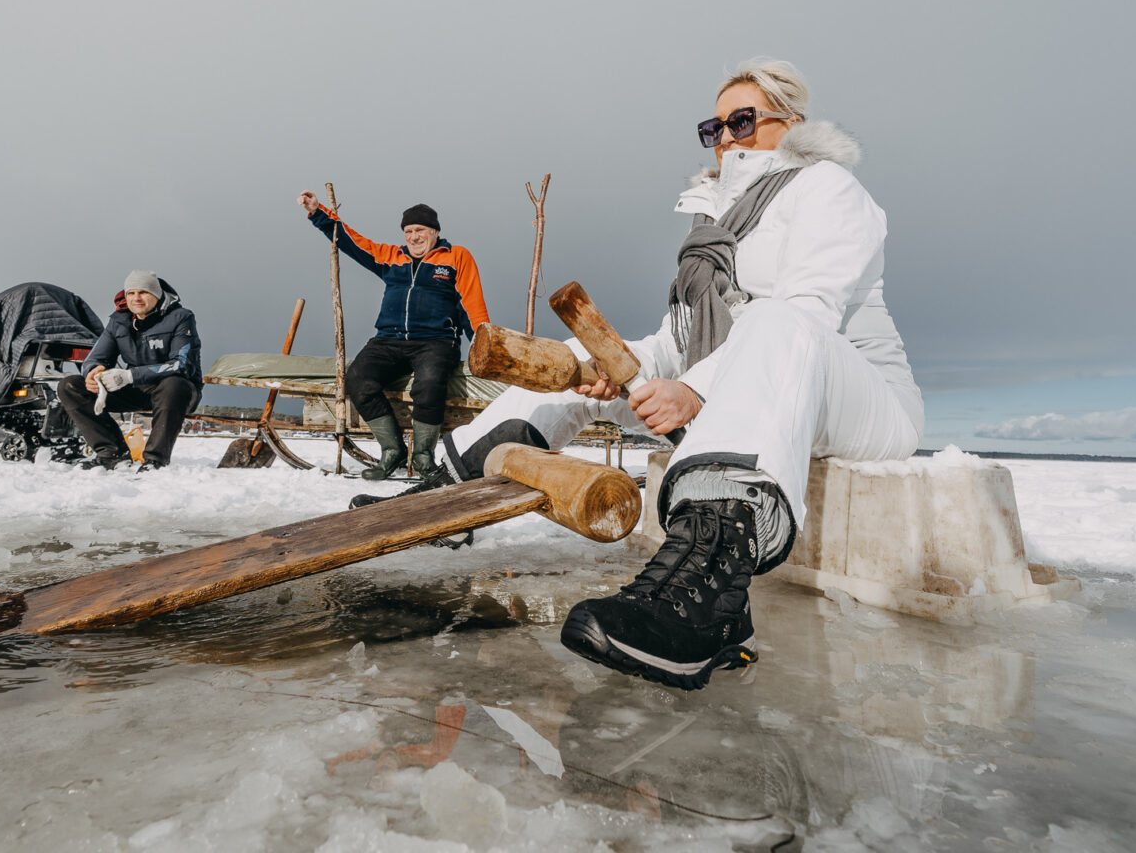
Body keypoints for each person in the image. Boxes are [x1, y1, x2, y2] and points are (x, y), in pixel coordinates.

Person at [417, 58, 925, 689]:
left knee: (777, 322)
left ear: (789, 122)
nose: (726, 138)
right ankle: (446, 490)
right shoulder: (711, 220)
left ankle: (702, 601)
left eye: (742, 120)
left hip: (856, 396)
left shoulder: (827, 188)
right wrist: (599, 370)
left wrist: (695, 389)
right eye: (713, 127)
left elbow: (809, 313)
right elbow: (676, 339)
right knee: (579, 373)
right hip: (753, 387)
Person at [297, 193, 490, 479]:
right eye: (409, 231)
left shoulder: (456, 257)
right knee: (358, 379)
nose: (414, 237)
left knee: (429, 383)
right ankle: (392, 451)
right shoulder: (390, 256)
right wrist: (317, 213)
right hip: (390, 340)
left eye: (420, 231)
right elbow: (351, 241)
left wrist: (485, 347)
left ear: (435, 232)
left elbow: (473, 304)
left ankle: (423, 456)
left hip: (436, 341)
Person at [59, 270, 203, 470]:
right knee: (70, 385)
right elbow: (96, 357)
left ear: (157, 294)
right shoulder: (119, 321)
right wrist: (93, 373)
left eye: (144, 292)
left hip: (177, 392)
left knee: (174, 384)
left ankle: (154, 460)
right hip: (135, 389)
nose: (136, 298)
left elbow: (181, 364)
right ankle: (112, 454)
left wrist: (129, 375)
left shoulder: (181, 317)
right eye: (131, 293)